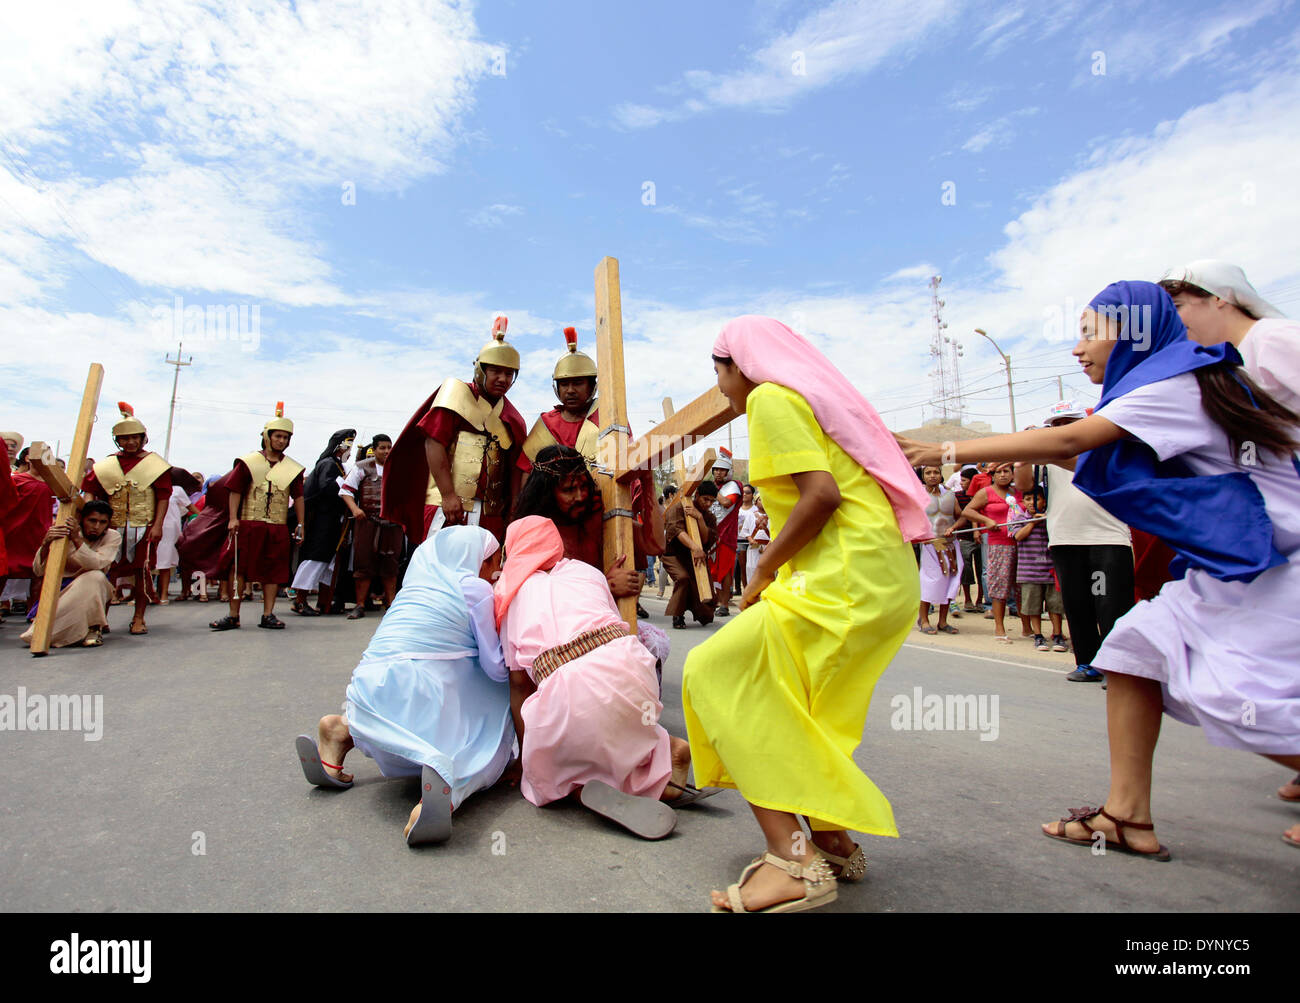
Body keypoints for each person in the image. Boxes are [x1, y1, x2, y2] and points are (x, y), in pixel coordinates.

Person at [898, 280, 1300, 855]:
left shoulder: (1169, 383)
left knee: (1233, 699)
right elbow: (1075, 450)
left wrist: (941, 451)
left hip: (1274, 569)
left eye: (1090, 332)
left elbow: (1074, 440)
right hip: (1242, 564)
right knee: (1133, 650)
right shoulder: (1170, 382)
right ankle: (1126, 815)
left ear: (1135, 332)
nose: (1077, 348)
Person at [684, 315, 931, 913]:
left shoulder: (771, 399)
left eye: (719, 373)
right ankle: (831, 839)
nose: (721, 389)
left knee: (715, 674)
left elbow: (821, 495)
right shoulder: (812, 402)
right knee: (810, 706)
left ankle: (793, 859)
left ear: (739, 365)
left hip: (844, 579)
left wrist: (764, 569)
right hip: (883, 578)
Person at [294, 526, 514, 846]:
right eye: (492, 560)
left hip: (368, 695)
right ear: (471, 559)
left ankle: (342, 731)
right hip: (419, 699)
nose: (496, 570)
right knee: (489, 737)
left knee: (444, 663)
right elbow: (495, 668)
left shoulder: (413, 589)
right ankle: (447, 794)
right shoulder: (473, 589)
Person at [493, 516, 704, 839]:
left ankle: (581, 787)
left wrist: (526, 758)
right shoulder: (586, 572)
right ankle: (662, 755)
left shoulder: (510, 591)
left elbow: (520, 686)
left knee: (548, 772)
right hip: (632, 668)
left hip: (570, 684)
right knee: (611, 725)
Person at [512, 446, 670, 664]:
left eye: (584, 486)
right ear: (547, 492)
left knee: (653, 646)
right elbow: (536, 601)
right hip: (555, 637)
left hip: (604, 626)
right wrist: (606, 585)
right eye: (568, 489)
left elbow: (655, 545)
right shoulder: (533, 530)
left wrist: (647, 480)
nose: (580, 496)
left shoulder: (598, 516)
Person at [383, 317, 526, 547]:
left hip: (490, 515)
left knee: (481, 576)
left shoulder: (511, 417)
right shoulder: (455, 396)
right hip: (447, 507)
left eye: (509, 374)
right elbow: (433, 442)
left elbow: (514, 470)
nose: (503, 379)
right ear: (480, 371)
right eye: (496, 371)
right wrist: (448, 495)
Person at [1019, 400, 1135, 680]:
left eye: (1068, 423)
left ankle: (1118, 669)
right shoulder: (1049, 457)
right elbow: (1024, 486)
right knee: (1077, 603)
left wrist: (1047, 447)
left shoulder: (1103, 447)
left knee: (1111, 605)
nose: (1060, 429)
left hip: (1107, 536)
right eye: (1055, 426)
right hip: (1064, 537)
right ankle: (1088, 663)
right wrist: (1023, 451)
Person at [210, 407, 306, 631]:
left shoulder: (292, 468)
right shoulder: (248, 462)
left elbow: (299, 497)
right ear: (267, 437)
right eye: (278, 436)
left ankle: (268, 614)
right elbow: (235, 490)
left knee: (273, 570)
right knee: (238, 568)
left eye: (285, 437)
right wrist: (233, 518)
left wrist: (301, 524)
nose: (281, 441)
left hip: (277, 525)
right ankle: (233, 615)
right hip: (248, 523)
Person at [81, 403, 172, 636]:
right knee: (106, 572)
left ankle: (139, 617)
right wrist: (91, 516)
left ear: (143, 438)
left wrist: (158, 525)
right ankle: (100, 618)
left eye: (135, 437)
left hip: (145, 526)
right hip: (111, 528)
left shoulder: (155, 464)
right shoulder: (108, 464)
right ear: (118, 441)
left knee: (141, 572)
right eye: (125, 438)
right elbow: (90, 489)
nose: (130, 442)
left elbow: (163, 496)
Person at [1160, 260, 1298, 412]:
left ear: (1218, 297)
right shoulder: (1229, 360)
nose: (1172, 320)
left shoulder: (1272, 338)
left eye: (1178, 306)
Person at [20, 500, 120, 648]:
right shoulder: (64, 531)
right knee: (37, 635)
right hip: (62, 589)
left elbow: (96, 563)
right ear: (81, 519)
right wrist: (46, 543)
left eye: (102, 522)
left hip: (95, 587)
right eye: (92, 521)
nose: (96, 526)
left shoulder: (112, 536)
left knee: (95, 577)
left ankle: (93, 628)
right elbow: (38, 570)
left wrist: (77, 540)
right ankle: (54, 632)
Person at [290, 429, 355, 616]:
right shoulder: (328, 464)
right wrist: (345, 488)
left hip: (334, 520)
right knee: (315, 560)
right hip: (323, 520)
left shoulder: (337, 465)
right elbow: (326, 488)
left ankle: (324, 602)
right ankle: (300, 601)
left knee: (330, 563)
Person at [339, 434, 403, 619]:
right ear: (374, 450)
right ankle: (359, 605)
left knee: (391, 565)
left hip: (392, 524)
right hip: (367, 523)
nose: (386, 451)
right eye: (382, 447)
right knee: (364, 564)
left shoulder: (399, 468)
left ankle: (391, 605)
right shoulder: (361, 468)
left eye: (389, 447)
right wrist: (355, 509)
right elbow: (346, 491)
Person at [960, 461, 1022, 643]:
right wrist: (985, 520)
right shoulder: (986, 492)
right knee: (999, 585)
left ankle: (1028, 629)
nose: (1003, 475)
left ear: (1012, 474)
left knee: (1021, 585)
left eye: (1006, 471)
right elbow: (967, 511)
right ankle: (999, 627)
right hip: (998, 544)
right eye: (999, 472)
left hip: (1021, 543)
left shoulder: (1017, 492)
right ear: (992, 476)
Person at [0, 441, 53, 618]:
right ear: (28, 458)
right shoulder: (16, 479)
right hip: (15, 532)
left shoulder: (53, 482)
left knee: (38, 572)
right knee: (5, 571)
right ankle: (3, 605)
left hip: (40, 532)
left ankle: (35, 613)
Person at [1009, 486, 1065, 652]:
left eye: (1036, 499)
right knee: (1033, 606)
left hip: (1051, 570)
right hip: (1029, 571)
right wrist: (1033, 523)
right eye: (1027, 499)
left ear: (1044, 500)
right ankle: (1038, 635)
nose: (1032, 503)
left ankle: (1057, 635)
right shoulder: (1019, 517)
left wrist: (1047, 520)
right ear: (1023, 502)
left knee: (1055, 605)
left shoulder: (1053, 518)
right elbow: (1018, 536)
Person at [663, 479, 718, 629]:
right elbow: (677, 531)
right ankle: (678, 615)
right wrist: (694, 547)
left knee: (706, 614)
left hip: (695, 557)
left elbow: (707, 540)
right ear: (697, 494)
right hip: (673, 555)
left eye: (712, 501)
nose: (708, 504)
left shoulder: (709, 517)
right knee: (683, 578)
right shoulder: (677, 509)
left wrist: (699, 518)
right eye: (705, 499)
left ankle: (698, 611)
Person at [916, 465, 963, 634]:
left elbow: (961, 516)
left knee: (950, 582)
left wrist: (954, 527)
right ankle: (924, 620)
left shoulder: (950, 496)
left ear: (941, 475)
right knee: (929, 582)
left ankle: (943, 622)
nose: (932, 475)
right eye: (928, 473)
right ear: (923, 476)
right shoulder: (918, 495)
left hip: (950, 544)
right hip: (930, 544)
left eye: (936, 472)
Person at [708, 449, 743, 615]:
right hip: (711, 534)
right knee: (713, 570)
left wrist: (713, 492)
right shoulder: (713, 487)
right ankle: (715, 600)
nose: (718, 473)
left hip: (726, 535)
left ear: (728, 472)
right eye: (715, 469)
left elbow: (727, 503)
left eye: (721, 470)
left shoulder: (734, 486)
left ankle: (724, 604)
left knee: (725, 570)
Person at [152, 478, 198, 604]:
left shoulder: (177, 490)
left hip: (169, 529)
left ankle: (163, 594)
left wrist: (203, 519)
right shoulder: (150, 489)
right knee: (149, 560)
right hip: (151, 526)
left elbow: (190, 507)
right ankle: (149, 593)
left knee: (165, 560)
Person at [735, 484, 757, 592]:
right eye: (743, 492)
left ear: (753, 495)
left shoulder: (756, 509)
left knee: (753, 567)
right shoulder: (736, 509)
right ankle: (746, 591)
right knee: (743, 568)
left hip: (753, 542)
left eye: (748, 492)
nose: (744, 494)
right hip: (739, 541)